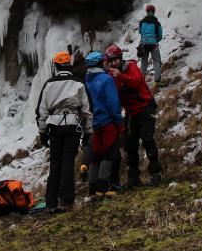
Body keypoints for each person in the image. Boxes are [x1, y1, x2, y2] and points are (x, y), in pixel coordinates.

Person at [36, 51, 93, 213]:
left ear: (56, 66)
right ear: (69, 65)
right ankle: (66, 199)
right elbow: (87, 110)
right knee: (68, 160)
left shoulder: (49, 84)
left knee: (55, 162)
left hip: (54, 126)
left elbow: (42, 111)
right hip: (73, 125)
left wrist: (42, 132)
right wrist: (88, 132)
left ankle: (51, 201)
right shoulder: (78, 83)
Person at [105, 44, 162, 187]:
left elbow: (136, 81)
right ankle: (133, 178)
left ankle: (156, 174)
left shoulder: (131, 67)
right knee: (129, 144)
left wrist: (121, 76)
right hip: (131, 113)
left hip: (145, 108)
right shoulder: (112, 77)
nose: (114, 63)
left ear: (120, 59)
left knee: (147, 139)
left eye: (116, 60)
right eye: (111, 61)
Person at [84, 51, 123, 196]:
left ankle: (92, 187)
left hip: (95, 124)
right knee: (109, 153)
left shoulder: (87, 81)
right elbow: (113, 103)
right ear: (100, 63)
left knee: (96, 154)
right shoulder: (106, 80)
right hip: (108, 122)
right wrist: (118, 122)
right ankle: (102, 186)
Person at [138, 4, 164, 84]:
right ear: (154, 12)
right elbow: (160, 36)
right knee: (156, 61)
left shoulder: (142, 22)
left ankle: (141, 82)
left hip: (144, 44)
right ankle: (157, 81)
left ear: (146, 11)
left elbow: (140, 32)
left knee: (144, 64)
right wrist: (155, 41)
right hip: (153, 44)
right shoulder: (157, 23)